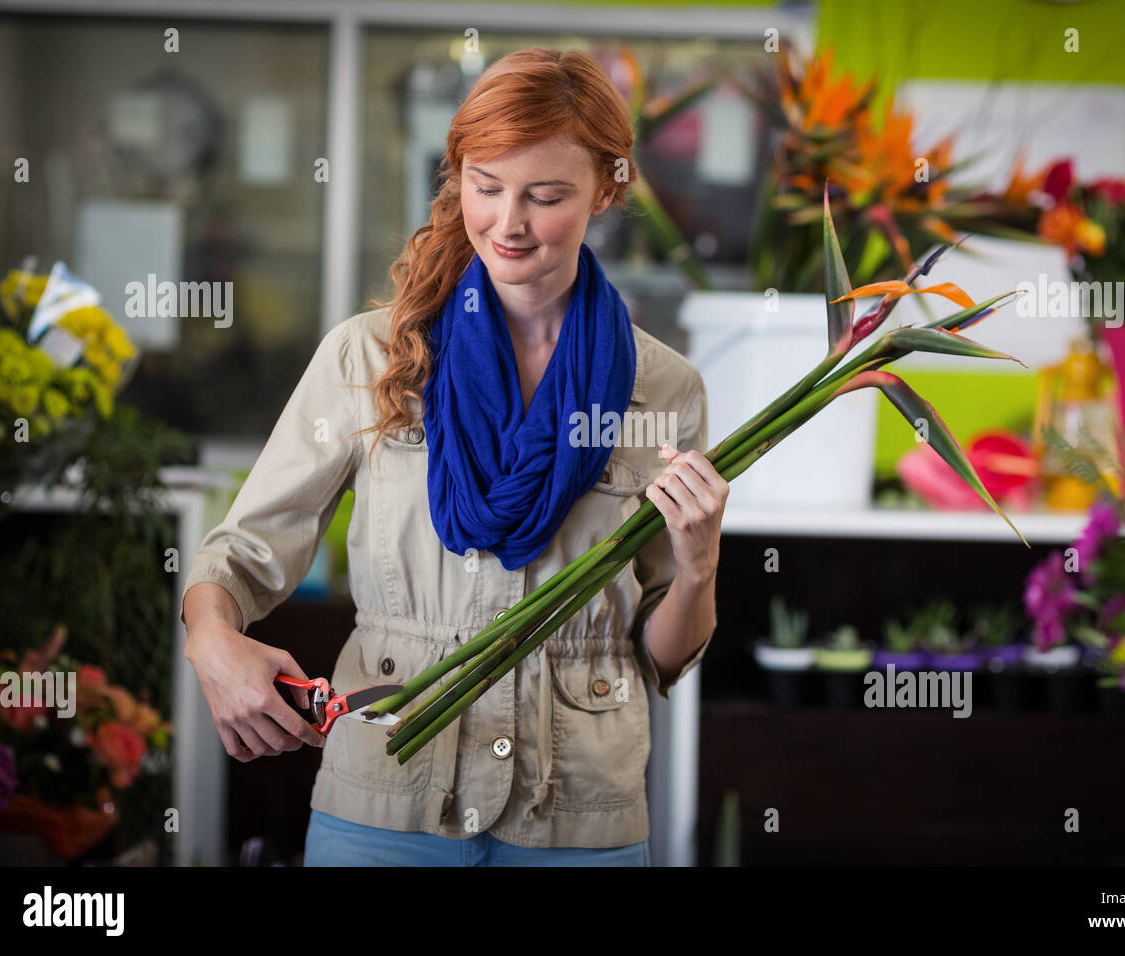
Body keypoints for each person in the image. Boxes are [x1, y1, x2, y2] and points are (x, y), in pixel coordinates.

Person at [180, 48, 728, 866]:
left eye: (545, 196)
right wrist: (212, 640)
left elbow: (664, 650)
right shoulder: (369, 357)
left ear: (608, 190)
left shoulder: (664, 390)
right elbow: (245, 553)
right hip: (386, 799)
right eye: (485, 186)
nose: (508, 223)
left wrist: (697, 565)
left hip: (581, 815)